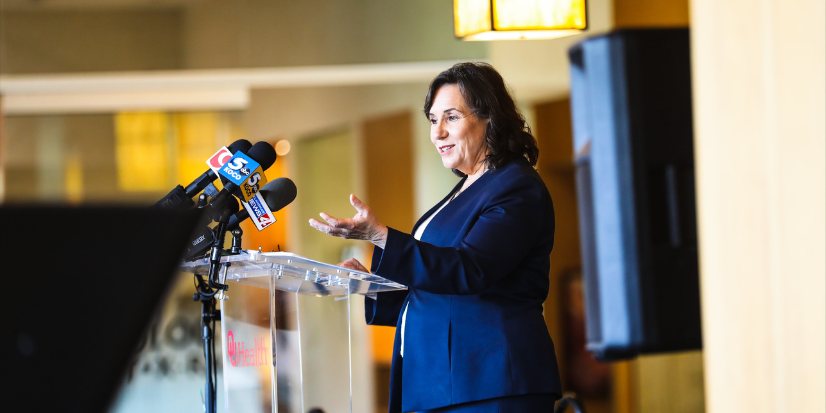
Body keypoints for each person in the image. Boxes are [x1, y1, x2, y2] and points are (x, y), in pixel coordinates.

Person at [309, 62, 561, 413]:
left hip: (492, 382)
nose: (437, 133)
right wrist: (370, 284)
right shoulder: (466, 188)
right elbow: (436, 283)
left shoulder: (515, 186)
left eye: (451, 118)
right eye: (432, 120)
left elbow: (470, 270)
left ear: (489, 117)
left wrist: (381, 236)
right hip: (440, 381)